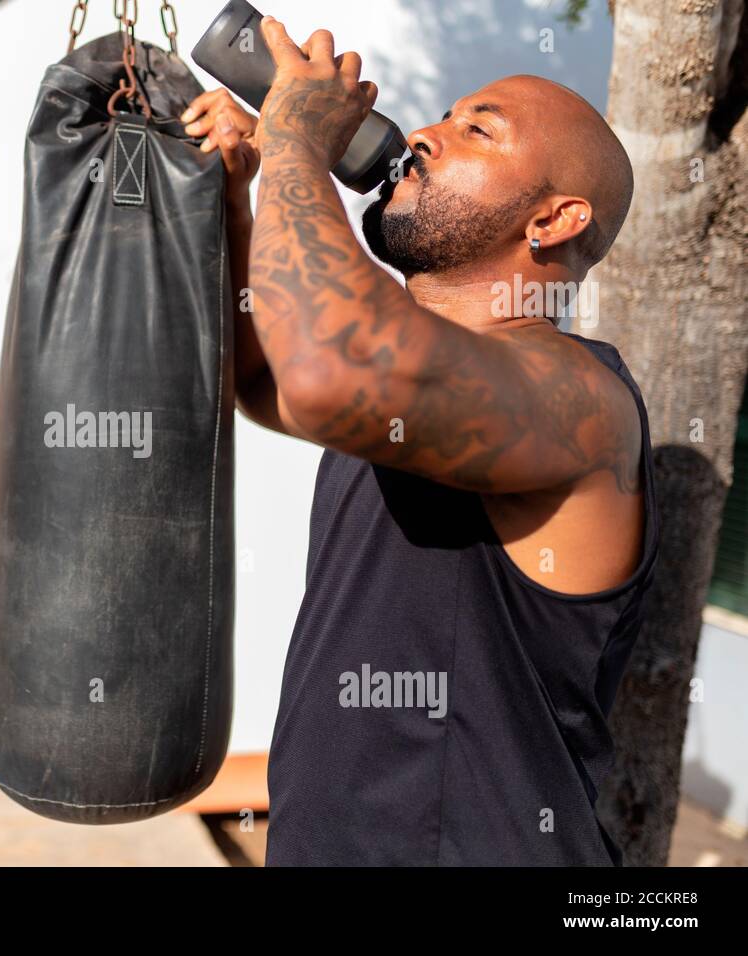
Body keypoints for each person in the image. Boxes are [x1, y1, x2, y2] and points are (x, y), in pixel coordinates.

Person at [180, 16, 658, 865]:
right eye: (443, 117)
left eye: (477, 129)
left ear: (553, 218)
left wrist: (293, 137)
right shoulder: (421, 372)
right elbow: (271, 382)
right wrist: (244, 191)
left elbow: (331, 372)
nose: (428, 135)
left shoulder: (579, 398)